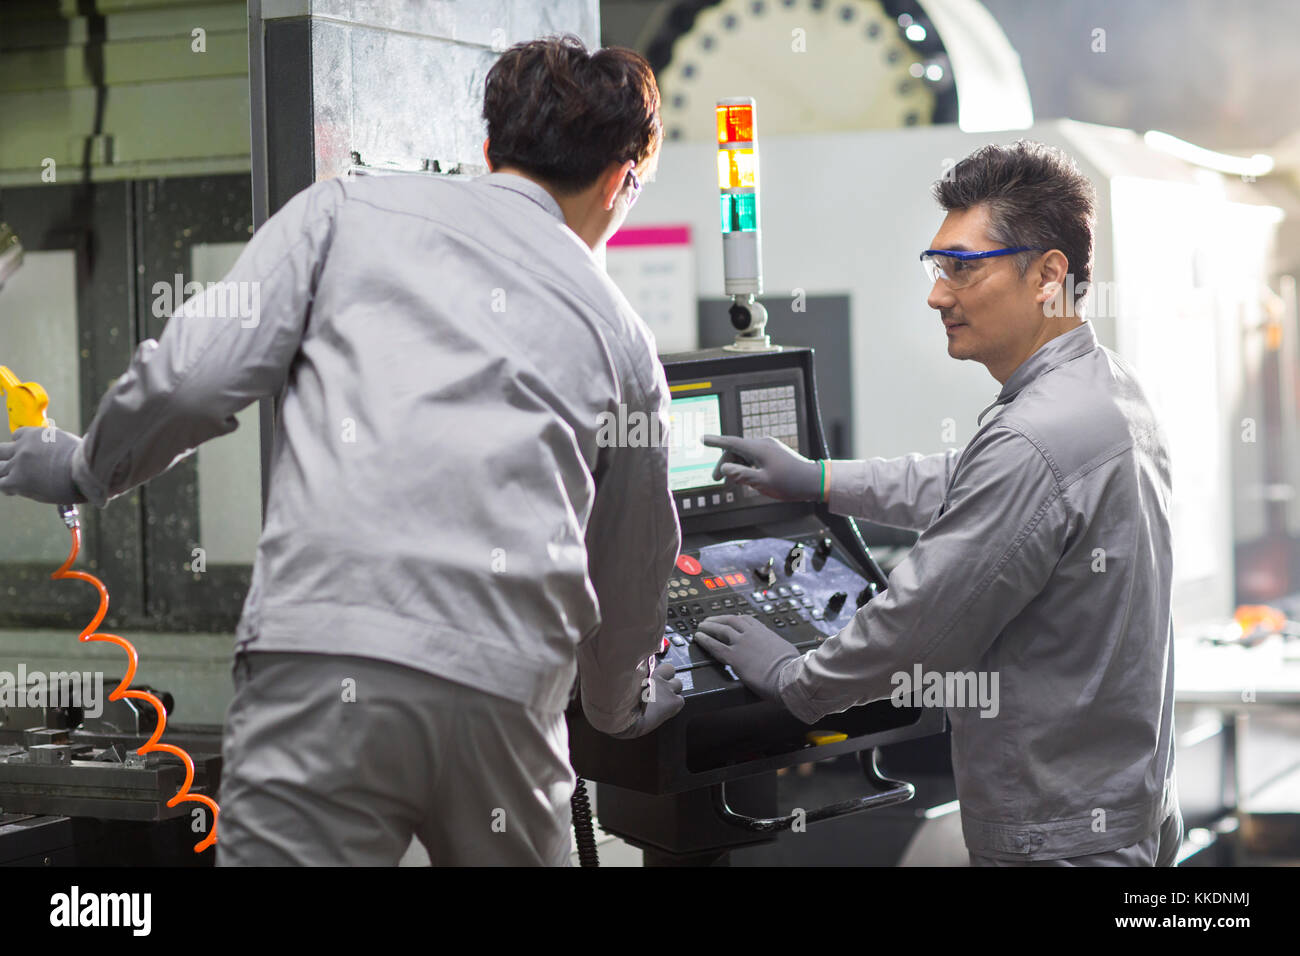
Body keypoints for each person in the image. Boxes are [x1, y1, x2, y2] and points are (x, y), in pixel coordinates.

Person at [0, 35, 684, 866]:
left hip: (321, 664)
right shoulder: (623, 336)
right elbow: (635, 567)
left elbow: (186, 385)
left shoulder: (344, 211)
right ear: (621, 179)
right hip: (502, 690)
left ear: (488, 148)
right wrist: (621, 707)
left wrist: (83, 467)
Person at [695, 141, 1182, 866]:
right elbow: (970, 482)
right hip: (1127, 806)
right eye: (936, 265)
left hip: (1060, 839)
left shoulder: (1035, 435)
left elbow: (917, 627)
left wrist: (794, 680)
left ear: (1049, 275)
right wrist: (819, 480)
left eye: (962, 267)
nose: (938, 293)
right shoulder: (1102, 389)